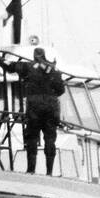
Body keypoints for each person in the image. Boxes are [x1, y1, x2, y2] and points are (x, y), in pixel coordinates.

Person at [11, 46, 65, 175]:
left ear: (34, 55)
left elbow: (9, 67)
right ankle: (49, 171)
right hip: (51, 109)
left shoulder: (28, 67)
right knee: (50, 139)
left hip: (34, 109)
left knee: (32, 139)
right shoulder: (55, 70)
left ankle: (31, 170)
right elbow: (61, 90)